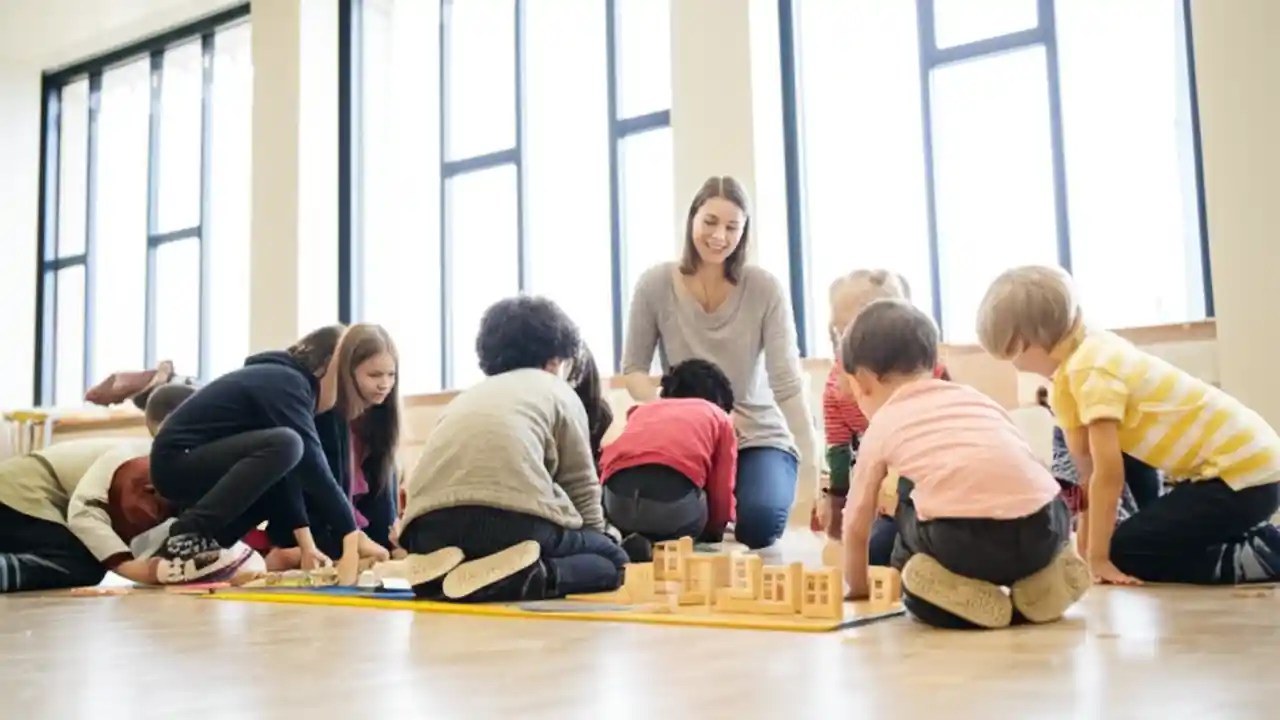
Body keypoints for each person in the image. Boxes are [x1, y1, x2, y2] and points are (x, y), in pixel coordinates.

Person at [977, 265, 1280, 586]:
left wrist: (1100, 558)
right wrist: (1087, 542)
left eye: (1013, 355)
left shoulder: (1090, 371)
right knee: (1130, 539)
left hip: (1242, 478)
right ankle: (1247, 539)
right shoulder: (1085, 352)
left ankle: (1266, 553)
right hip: (1245, 471)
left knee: (1128, 552)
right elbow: (1086, 469)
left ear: (1032, 340)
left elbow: (1107, 474)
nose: (1017, 367)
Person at [841, 298, 1087, 629]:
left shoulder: (884, 423)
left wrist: (857, 589)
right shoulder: (977, 399)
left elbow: (857, 522)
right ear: (934, 365)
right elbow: (1028, 464)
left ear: (863, 381)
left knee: (907, 500)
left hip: (962, 544)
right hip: (1046, 526)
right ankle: (1042, 579)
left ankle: (948, 594)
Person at [622, 175, 818, 549]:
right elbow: (633, 369)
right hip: (686, 437)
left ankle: (737, 502)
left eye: (732, 227)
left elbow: (787, 382)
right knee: (671, 526)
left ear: (744, 232)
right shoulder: (655, 283)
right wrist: (676, 413)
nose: (719, 236)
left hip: (756, 433)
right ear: (692, 218)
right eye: (710, 222)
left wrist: (810, 456)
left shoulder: (764, 288)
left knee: (758, 526)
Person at [399, 296, 628, 602]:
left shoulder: (467, 397)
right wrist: (596, 540)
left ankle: (437, 577)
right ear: (554, 360)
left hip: (425, 531)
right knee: (611, 562)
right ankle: (530, 577)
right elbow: (581, 485)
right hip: (506, 524)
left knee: (479, 545)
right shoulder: (556, 390)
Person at [149, 325, 362, 586]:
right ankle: (185, 535)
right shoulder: (286, 382)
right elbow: (313, 467)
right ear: (326, 365)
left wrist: (307, 546)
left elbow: (289, 476)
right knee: (289, 443)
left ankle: (209, 546)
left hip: (198, 461)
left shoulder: (286, 383)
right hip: (176, 461)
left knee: (285, 455)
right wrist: (350, 533)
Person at [0, 387, 196, 593]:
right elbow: (85, 511)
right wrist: (128, 566)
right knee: (81, 563)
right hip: (19, 492)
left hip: (28, 498)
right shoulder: (141, 461)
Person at [820, 269, 950, 565]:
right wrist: (838, 508)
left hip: (938, 491)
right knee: (877, 551)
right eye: (841, 331)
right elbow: (839, 454)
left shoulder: (931, 378)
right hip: (885, 497)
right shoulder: (836, 390)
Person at [261, 323, 401, 568]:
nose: (384, 384)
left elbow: (381, 504)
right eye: (374, 375)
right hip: (320, 534)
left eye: (391, 375)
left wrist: (388, 545)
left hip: (356, 535)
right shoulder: (323, 417)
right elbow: (316, 490)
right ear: (348, 372)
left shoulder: (381, 423)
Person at [600, 359, 737, 551]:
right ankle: (667, 539)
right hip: (673, 510)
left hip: (616, 503)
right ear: (721, 402)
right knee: (701, 495)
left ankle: (635, 537)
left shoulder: (641, 410)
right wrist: (715, 531)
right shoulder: (718, 416)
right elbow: (721, 488)